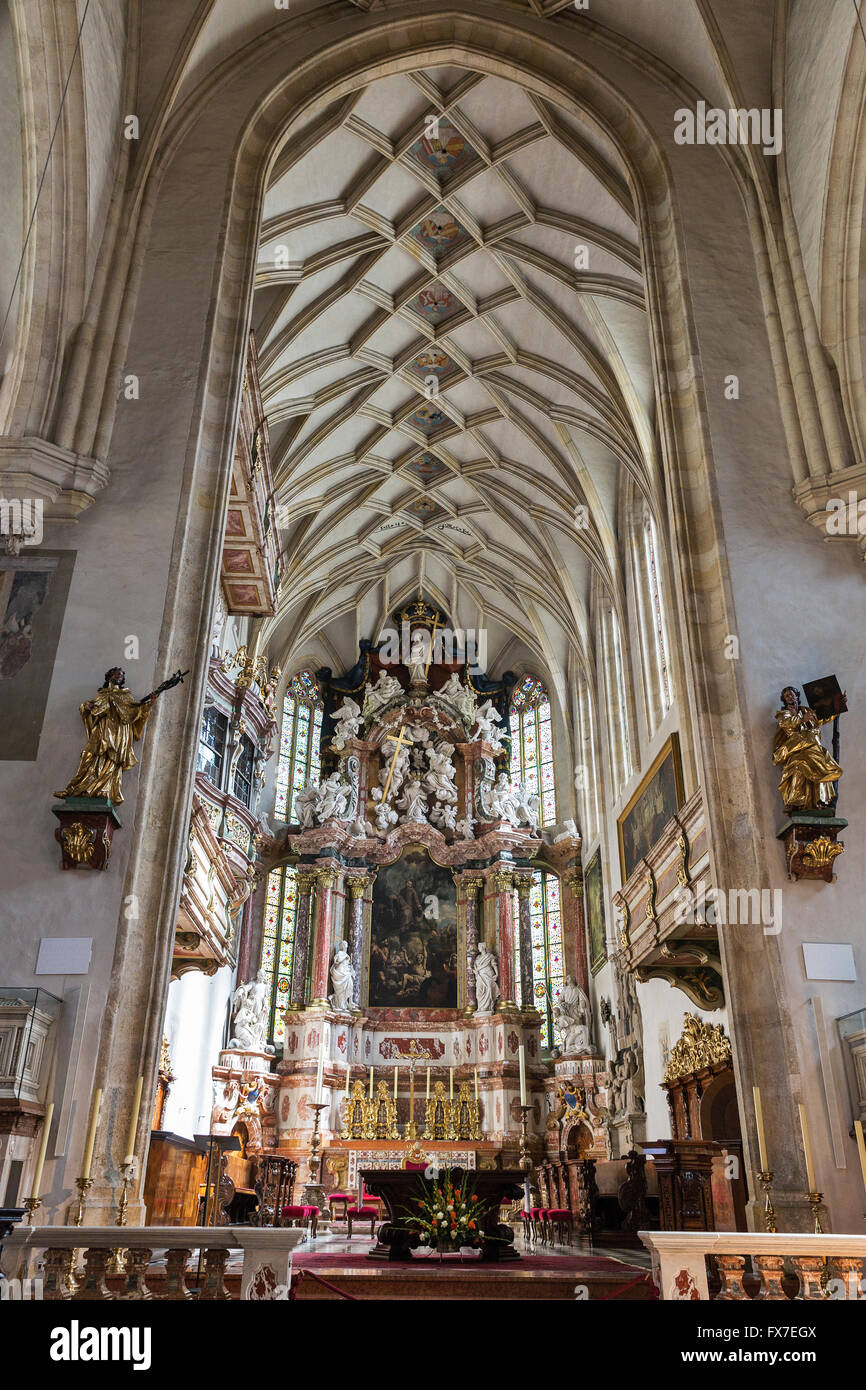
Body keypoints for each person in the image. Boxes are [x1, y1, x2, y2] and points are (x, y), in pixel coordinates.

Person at [55, 667, 158, 805]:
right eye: (116, 674)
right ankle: (75, 789)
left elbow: (136, 712)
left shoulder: (126, 695)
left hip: (118, 733)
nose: (119, 676)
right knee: (88, 755)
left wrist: (149, 705)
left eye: (121, 675)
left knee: (111, 760)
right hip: (102, 730)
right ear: (109, 676)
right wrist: (85, 707)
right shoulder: (102, 694)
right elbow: (91, 708)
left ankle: (104, 790)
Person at [773, 685, 843, 812]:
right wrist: (801, 720)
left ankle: (820, 800)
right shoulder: (783, 714)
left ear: (796, 695)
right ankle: (795, 801)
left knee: (820, 764)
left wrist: (837, 707)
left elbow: (821, 719)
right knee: (799, 765)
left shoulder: (807, 711)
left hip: (812, 745)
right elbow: (787, 723)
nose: (789, 697)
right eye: (786, 695)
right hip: (795, 747)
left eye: (791, 694)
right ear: (784, 699)